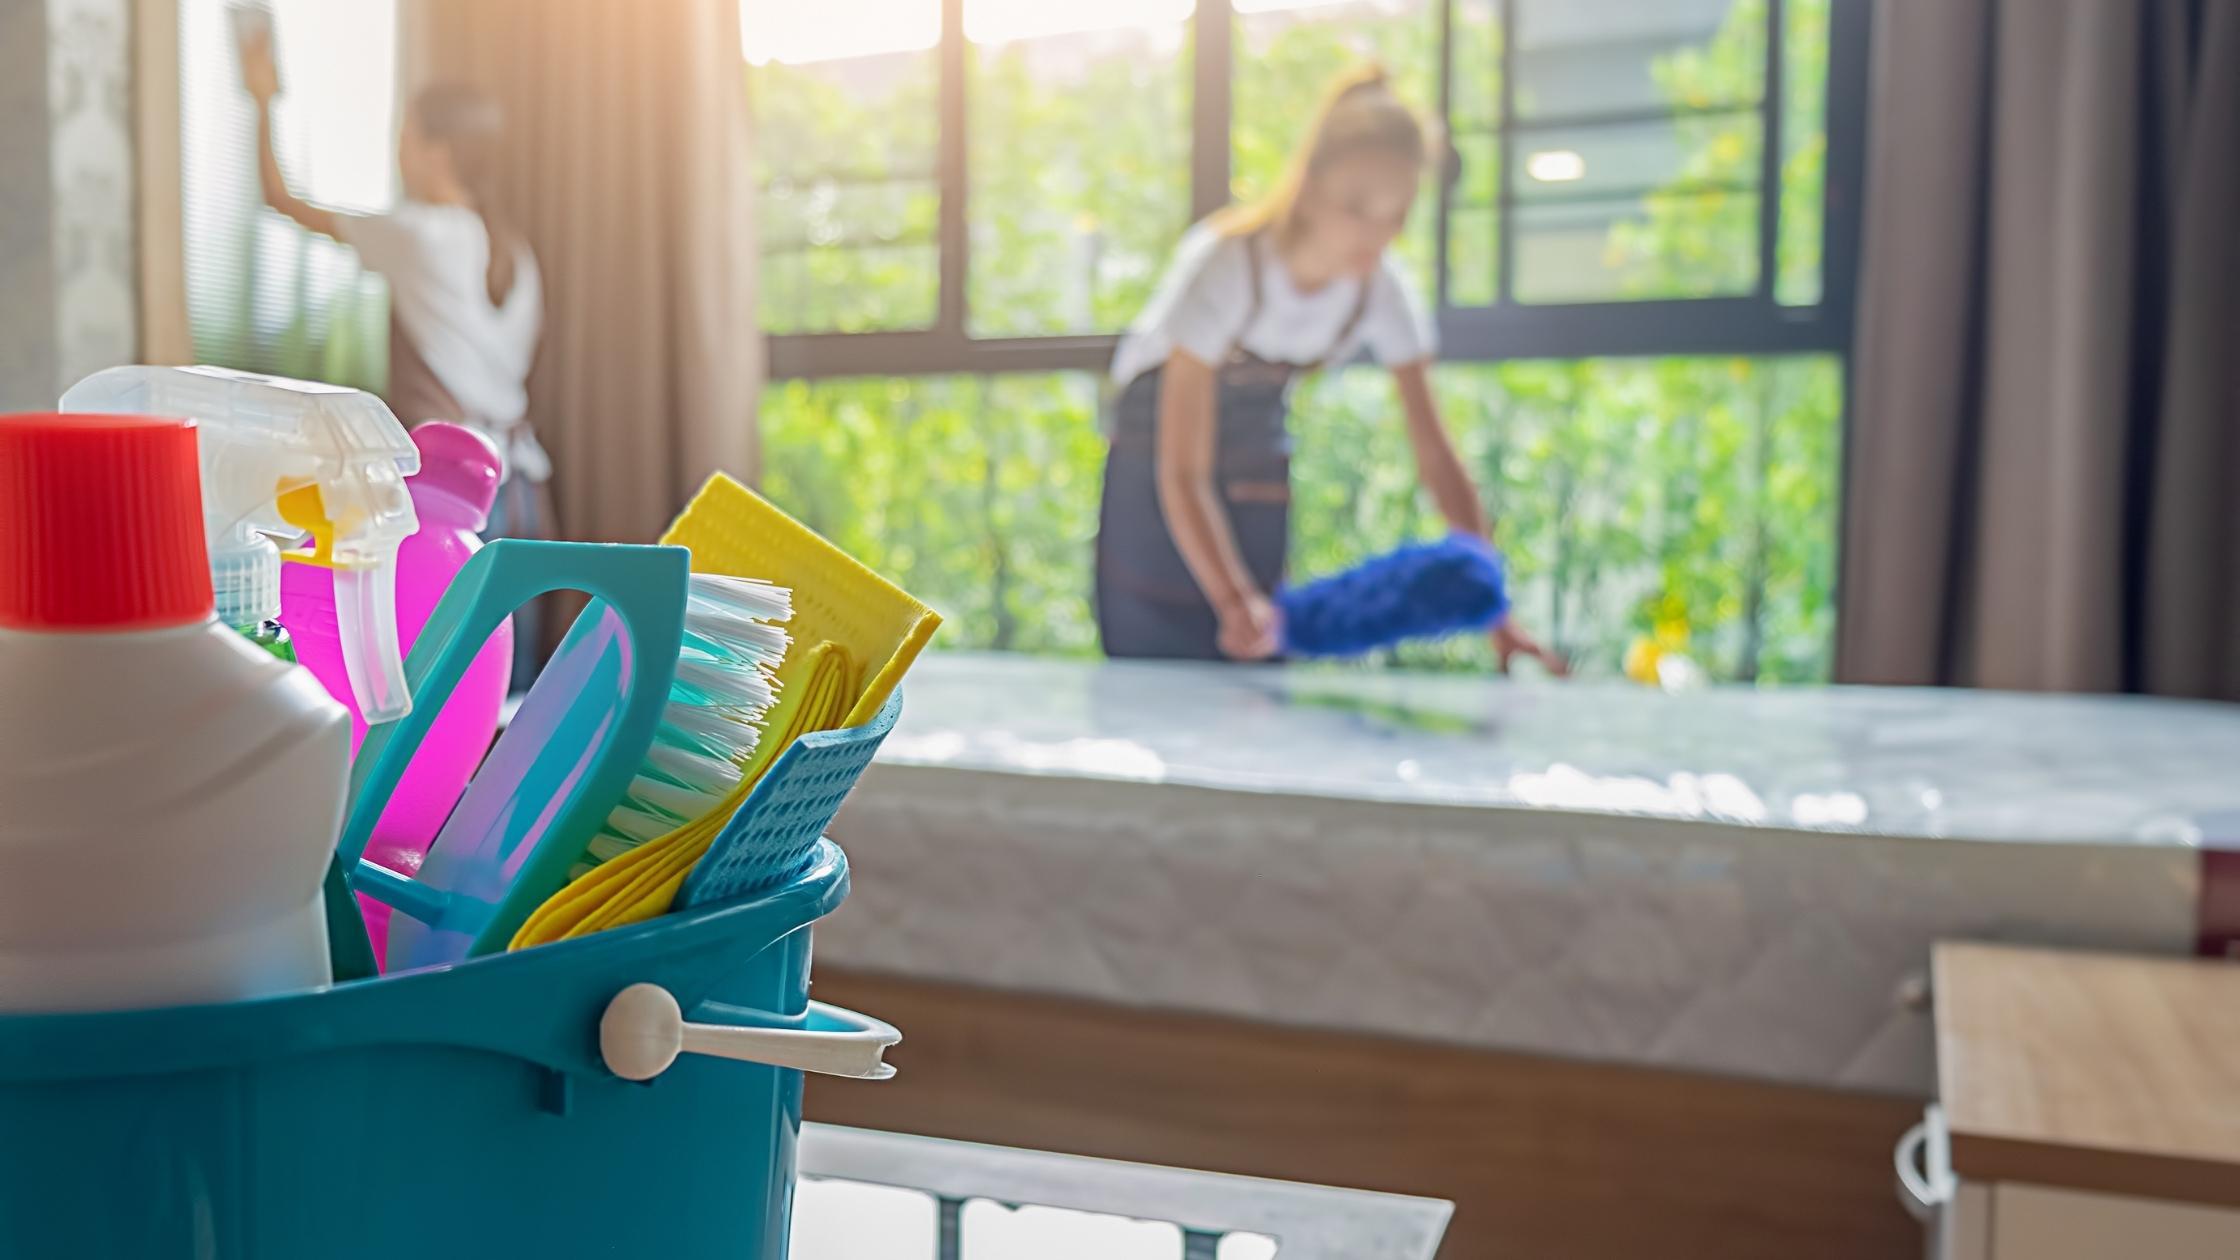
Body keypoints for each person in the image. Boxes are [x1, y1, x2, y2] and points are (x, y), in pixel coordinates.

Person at [1098, 66, 1565, 672]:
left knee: (1261, 652)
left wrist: (1494, 611)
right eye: (1357, 206)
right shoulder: (1228, 265)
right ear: (1309, 186)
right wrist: (1233, 598)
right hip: (1155, 450)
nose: (1376, 233)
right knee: (1157, 664)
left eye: (1397, 215)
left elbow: (1436, 453)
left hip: (1255, 445)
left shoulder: (1384, 291)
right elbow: (1183, 470)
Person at [240, 34, 550, 680]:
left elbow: (283, 200)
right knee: (504, 682)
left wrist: (263, 99)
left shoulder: (420, 234)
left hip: (456, 493)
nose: (399, 148)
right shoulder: (516, 253)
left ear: (436, 151)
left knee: (439, 676)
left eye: (406, 135)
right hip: (521, 487)